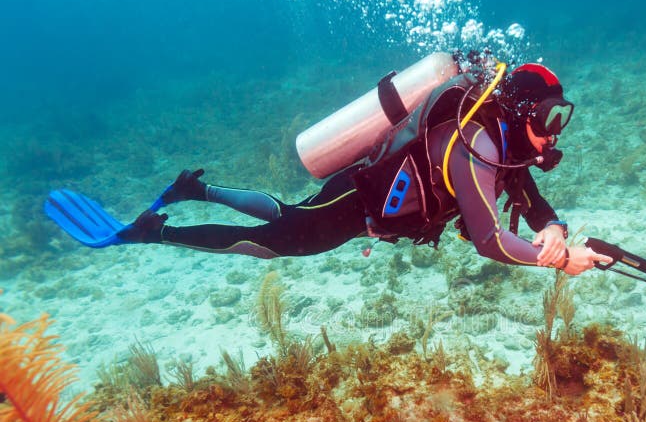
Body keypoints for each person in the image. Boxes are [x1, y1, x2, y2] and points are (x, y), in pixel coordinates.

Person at [47, 60, 612, 275]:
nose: (552, 130)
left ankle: (197, 189)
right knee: (279, 242)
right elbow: (489, 239)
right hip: (357, 202)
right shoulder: (470, 143)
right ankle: (153, 232)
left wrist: (554, 227)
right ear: (514, 110)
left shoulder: (504, 143)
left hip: (365, 201)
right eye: (546, 116)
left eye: (559, 117)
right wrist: (554, 261)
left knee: (287, 214)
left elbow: (528, 197)